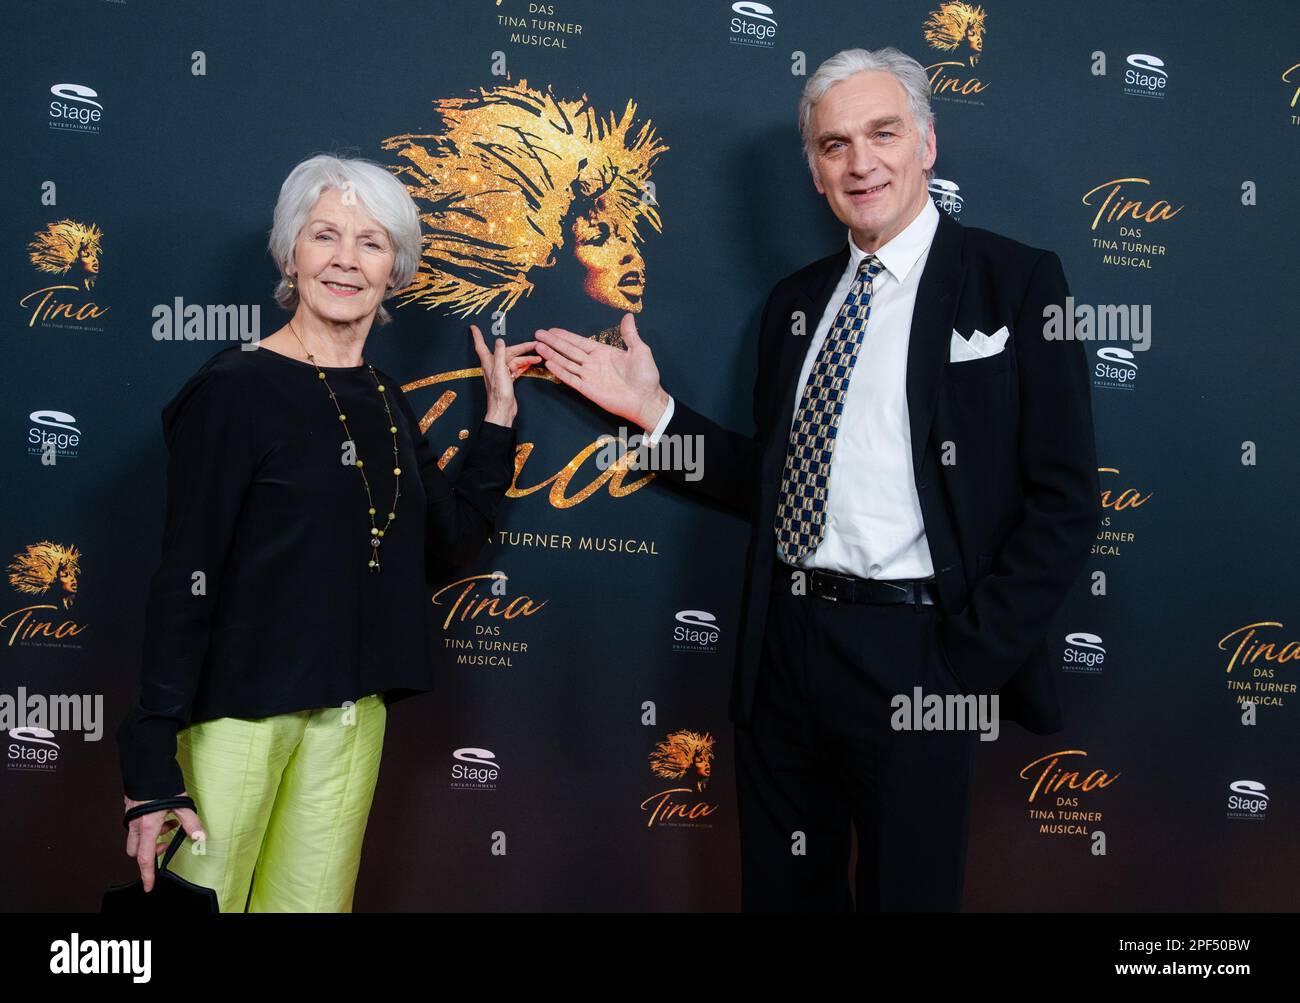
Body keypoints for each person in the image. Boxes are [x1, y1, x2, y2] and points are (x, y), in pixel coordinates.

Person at [535, 47, 1099, 911]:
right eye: (835, 145)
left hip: (922, 659)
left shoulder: (1018, 283)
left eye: (883, 133)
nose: (861, 161)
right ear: (815, 169)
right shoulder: (796, 303)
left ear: (927, 143)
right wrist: (653, 413)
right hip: (785, 650)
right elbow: (770, 479)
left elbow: (1063, 501)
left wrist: (963, 662)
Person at [116, 153, 540, 912]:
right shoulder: (234, 388)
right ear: (290, 255)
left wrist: (499, 420)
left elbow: (452, 540)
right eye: (325, 236)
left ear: (396, 271)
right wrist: (149, 765)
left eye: (371, 242)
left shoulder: (382, 397)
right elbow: (185, 575)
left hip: (351, 717)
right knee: (190, 909)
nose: (347, 259)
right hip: (236, 719)